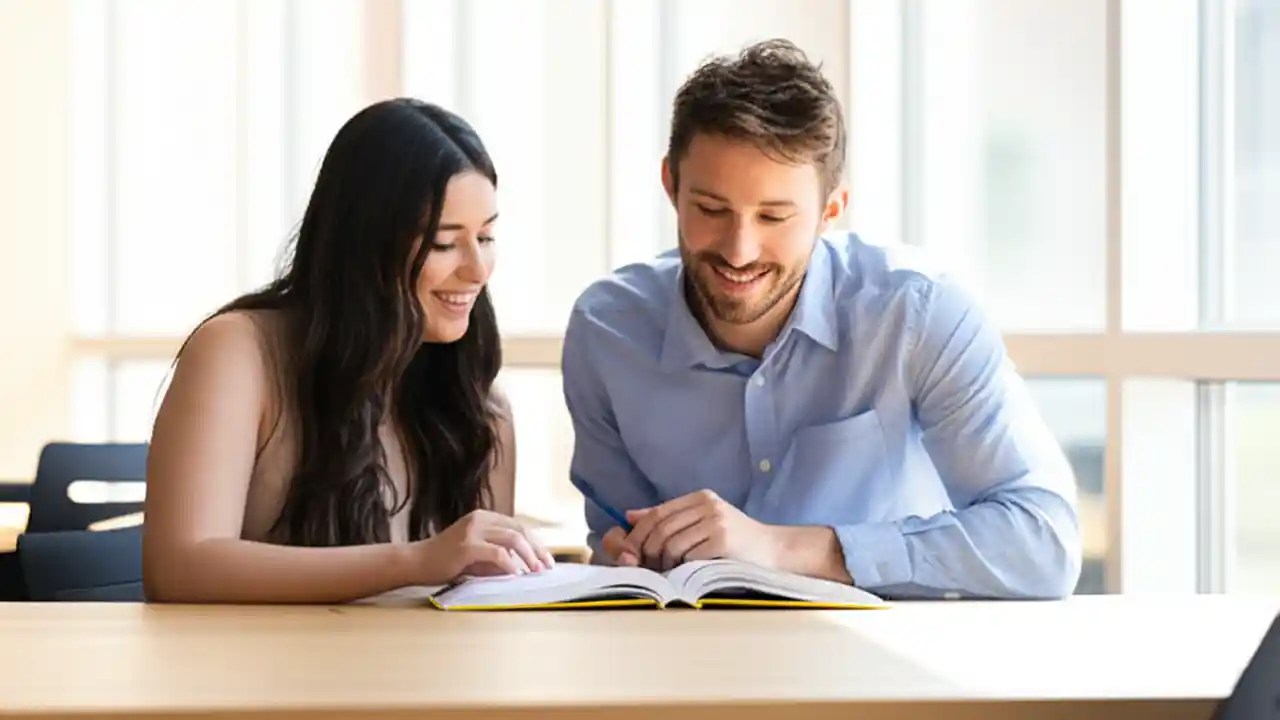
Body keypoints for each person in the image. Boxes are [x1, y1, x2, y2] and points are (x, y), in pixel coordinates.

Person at [562, 40, 1081, 600]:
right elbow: (616, 543)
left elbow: (1043, 542)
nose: (739, 250)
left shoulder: (916, 315)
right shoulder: (606, 332)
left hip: (885, 667)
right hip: (689, 667)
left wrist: (782, 548)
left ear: (831, 210)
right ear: (670, 185)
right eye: (711, 210)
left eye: (774, 216)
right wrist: (625, 557)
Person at [143, 99, 554, 603]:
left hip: (427, 678)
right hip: (260, 676)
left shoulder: (479, 407)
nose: (477, 269)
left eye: (486, 236)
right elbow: (178, 567)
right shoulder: (239, 353)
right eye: (445, 244)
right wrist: (417, 560)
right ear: (366, 245)